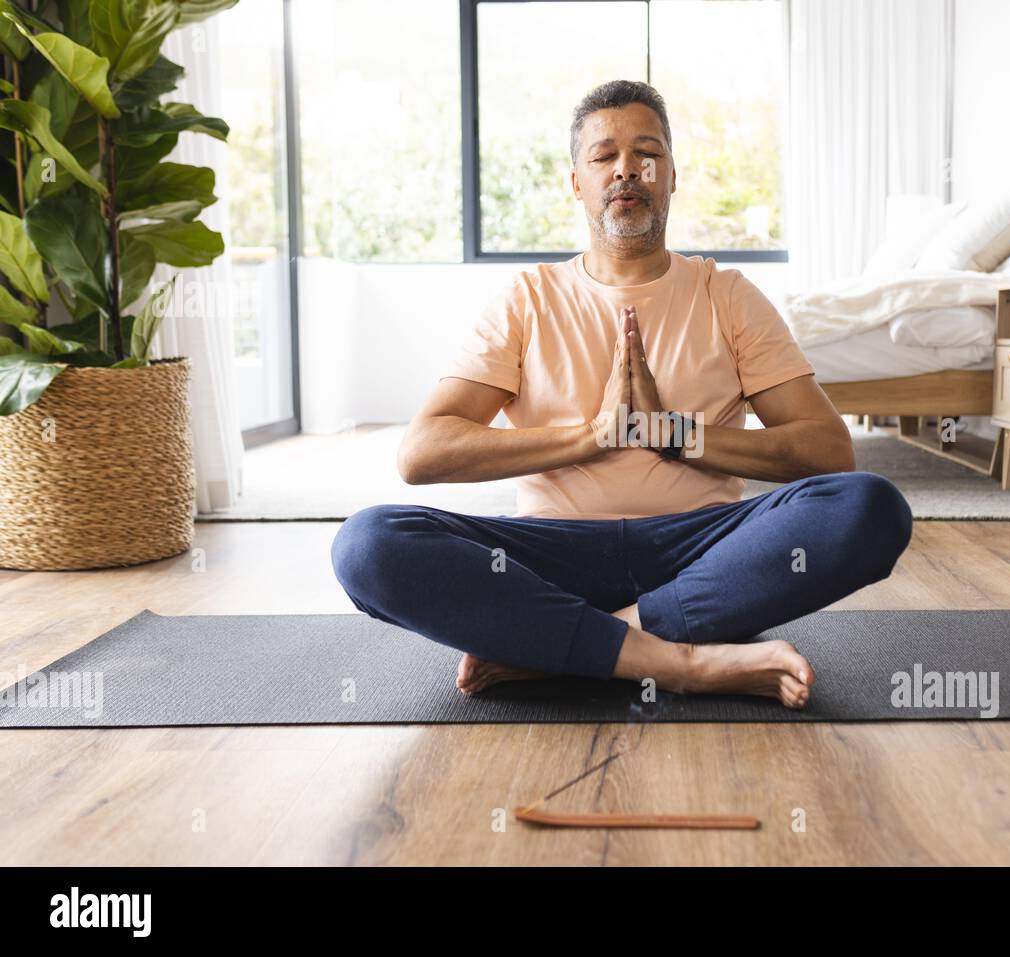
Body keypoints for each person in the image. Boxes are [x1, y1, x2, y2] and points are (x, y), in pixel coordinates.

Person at [331, 80, 912, 709]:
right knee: (369, 545)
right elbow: (423, 453)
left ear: (670, 177)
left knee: (870, 508)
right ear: (576, 182)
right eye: (604, 156)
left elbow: (828, 453)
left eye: (647, 153)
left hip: (702, 549)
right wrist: (592, 436)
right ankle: (681, 659)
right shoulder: (528, 299)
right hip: (555, 555)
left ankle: (566, 646)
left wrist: (677, 436)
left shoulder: (729, 295)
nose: (626, 170)